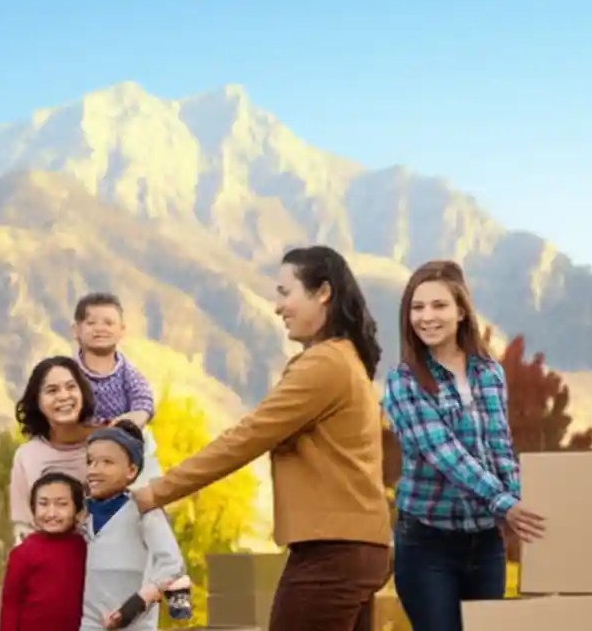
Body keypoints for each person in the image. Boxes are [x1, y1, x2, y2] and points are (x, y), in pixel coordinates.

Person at [133, 245, 392, 631]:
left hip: (333, 550)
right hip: (355, 546)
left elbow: (247, 437)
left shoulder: (325, 364)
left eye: (286, 293)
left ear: (323, 293)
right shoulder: (344, 359)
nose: (277, 306)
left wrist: (157, 491)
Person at [382, 260, 545, 631]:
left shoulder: (488, 371)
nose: (426, 317)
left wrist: (520, 503)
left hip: (485, 544)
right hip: (427, 545)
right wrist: (505, 503)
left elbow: (500, 446)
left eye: (438, 305)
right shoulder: (403, 382)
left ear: (460, 311)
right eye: (417, 307)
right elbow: (445, 455)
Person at [82, 421, 186, 630]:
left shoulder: (143, 512)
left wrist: (134, 606)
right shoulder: (83, 518)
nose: (94, 470)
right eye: (90, 462)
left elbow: (172, 564)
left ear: (131, 470)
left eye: (106, 462)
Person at [71, 293, 161, 488]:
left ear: (121, 330)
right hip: (82, 446)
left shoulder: (127, 372)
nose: (100, 329)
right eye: (91, 323)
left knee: (146, 491)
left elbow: (143, 400)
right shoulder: (69, 373)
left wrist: (132, 420)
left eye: (109, 323)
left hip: (125, 444)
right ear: (76, 330)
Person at [10, 356, 98, 543]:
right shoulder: (27, 456)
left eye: (71, 387)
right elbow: (23, 527)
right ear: (37, 401)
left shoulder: (109, 444)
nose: (64, 396)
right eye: (52, 390)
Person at [0, 471, 88, 631]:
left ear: (78, 509)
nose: (52, 513)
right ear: (33, 508)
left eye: (62, 504)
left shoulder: (86, 547)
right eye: (43, 503)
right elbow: (11, 605)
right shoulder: (22, 554)